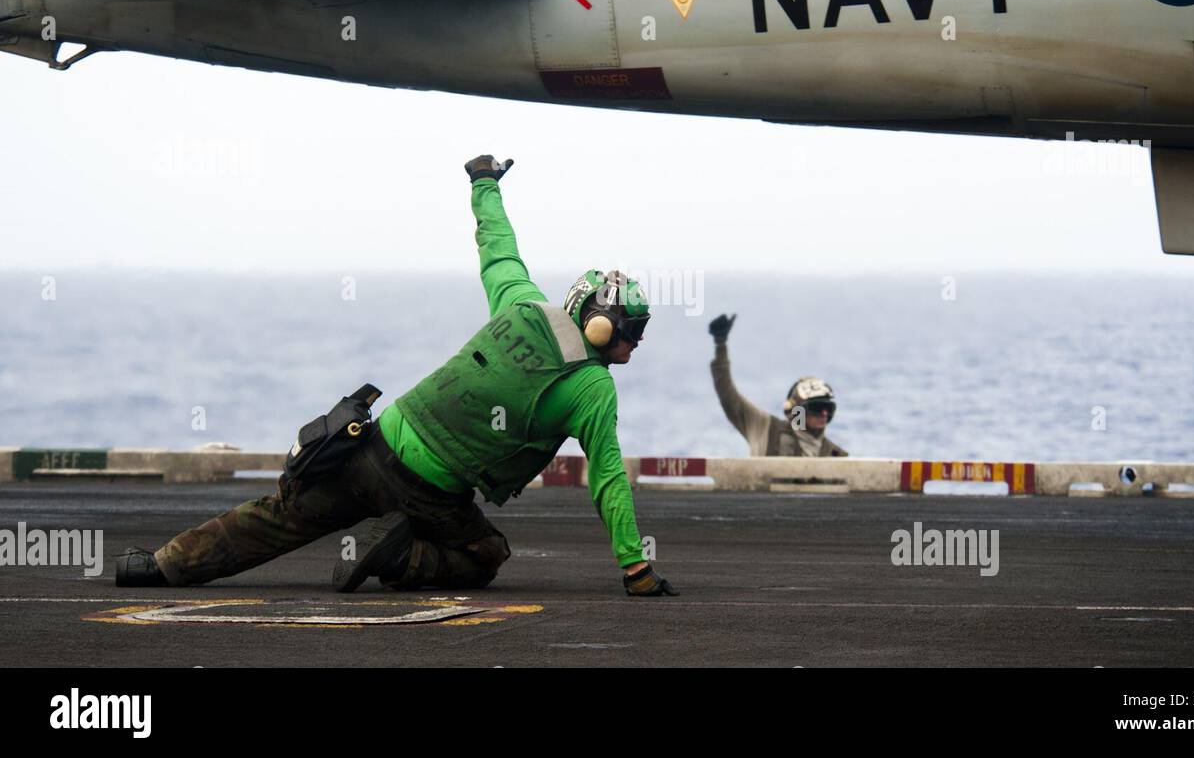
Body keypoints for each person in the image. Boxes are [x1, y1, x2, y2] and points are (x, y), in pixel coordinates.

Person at [115, 155, 678, 597]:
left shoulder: (519, 303)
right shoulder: (591, 386)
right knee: (485, 555)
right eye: (632, 329)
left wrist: (484, 181)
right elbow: (607, 479)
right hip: (429, 491)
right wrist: (635, 567)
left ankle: (157, 566)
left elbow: (498, 247)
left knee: (279, 517)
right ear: (599, 324)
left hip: (374, 442)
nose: (636, 342)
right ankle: (401, 555)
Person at [707, 313, 848, 457]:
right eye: (817, 408)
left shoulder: (836, 455)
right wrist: (720, 345)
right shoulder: (763, 428)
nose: (824, 414)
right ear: (797, 411)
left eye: (828, 408)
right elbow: (729, 397)